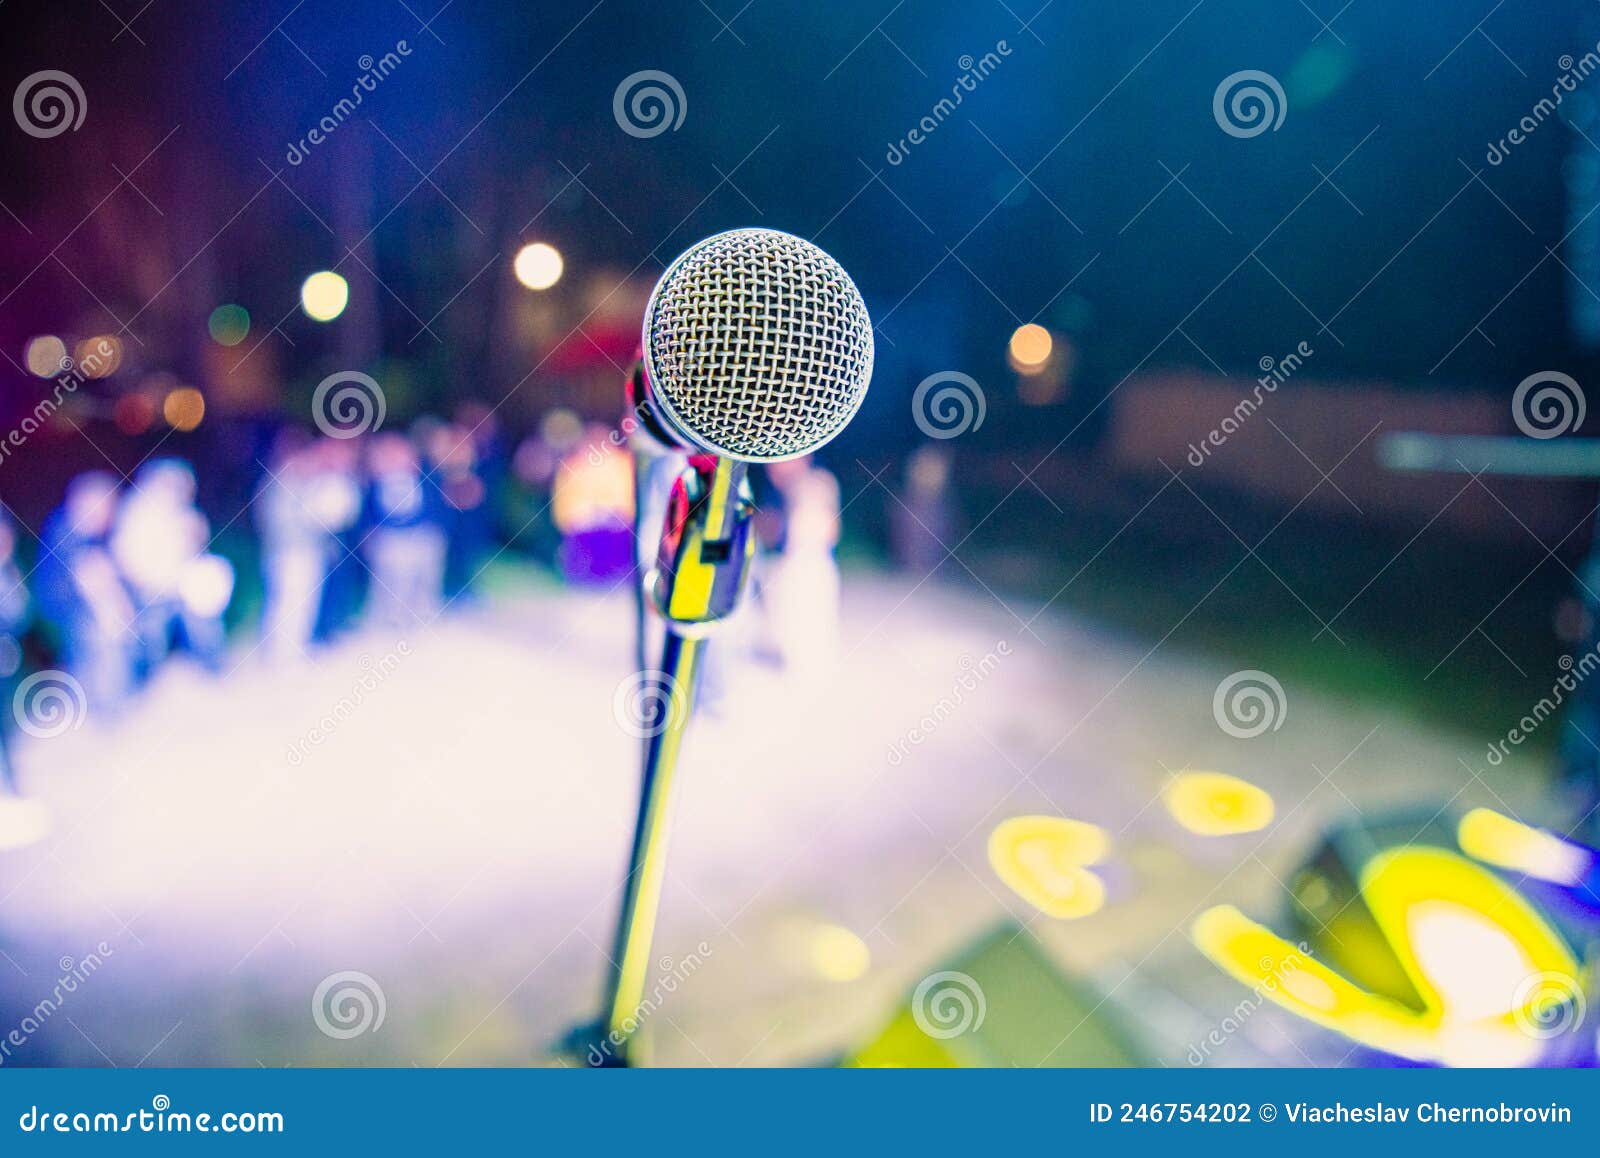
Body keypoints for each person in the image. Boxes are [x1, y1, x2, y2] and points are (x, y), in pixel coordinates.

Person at [111, 459, 231, 671]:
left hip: (181, 582)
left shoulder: (182, 511)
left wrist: (196, 533)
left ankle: (213, 667)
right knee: (152, 636)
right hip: (149, 587)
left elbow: (198, 547)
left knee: (203, 619)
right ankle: (145, 677)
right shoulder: (136, 511)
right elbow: (126, 555)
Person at [36, 472, 138, 710]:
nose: (108, 515)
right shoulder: (68, 530)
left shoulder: (80, 525)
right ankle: (107, 706)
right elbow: (90, 577)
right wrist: (117, 613)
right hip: (63, 602)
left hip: (74, 598)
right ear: (86, 501)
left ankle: (104, 699)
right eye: (105, 505)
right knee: (103, 636)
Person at [256, 431, 361, 660]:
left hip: (308, 553)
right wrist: (314, 524)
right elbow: (281, 522)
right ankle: (279, 654)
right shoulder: (281, 484)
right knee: (286, 604)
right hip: (289, 555)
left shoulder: (302, 485)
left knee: (304, 605)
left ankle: (294, 649)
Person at [761, 455, 843, 678]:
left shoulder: (816, 483)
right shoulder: (780, 493)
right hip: (790, 562)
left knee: (812, 620)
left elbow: (827, 528)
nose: (773, 469)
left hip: (810, 562)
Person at [363, 432, 447, 629]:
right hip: (390, 539)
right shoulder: (375, 484)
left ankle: (422, 615)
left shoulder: (425, 478)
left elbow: (437, 508)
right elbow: (369, 514)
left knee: (424, 578)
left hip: (422, 537)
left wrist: (436, 533)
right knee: (389, 580)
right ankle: (388, 618)